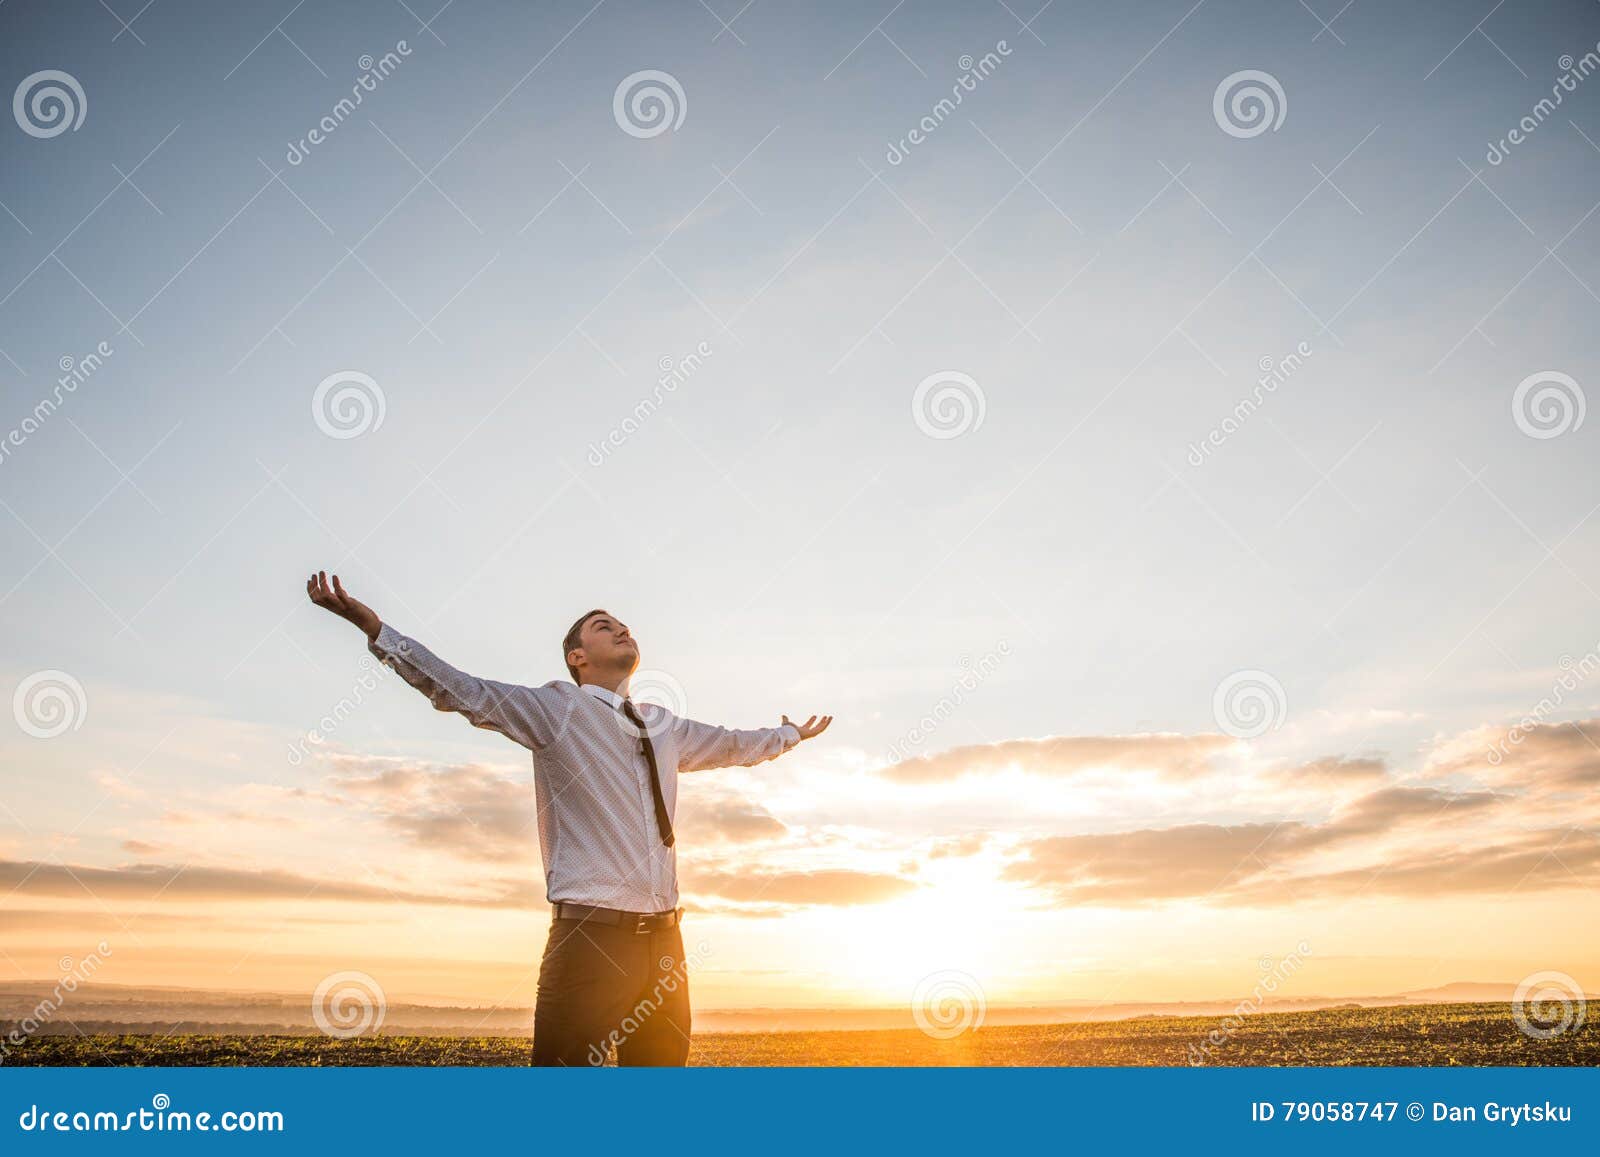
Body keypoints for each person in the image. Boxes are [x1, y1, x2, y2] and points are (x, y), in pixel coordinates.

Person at [304, 571, 831, 1065]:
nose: (623, 629)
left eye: (625, 625)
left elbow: (735, 744)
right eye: (605, 627)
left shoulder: (663, 725)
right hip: (591, 942)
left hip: (667, 946)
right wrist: (376, 631)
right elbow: (461, 689)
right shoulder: (557, 710)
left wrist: (789, 737)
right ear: (578, 658)